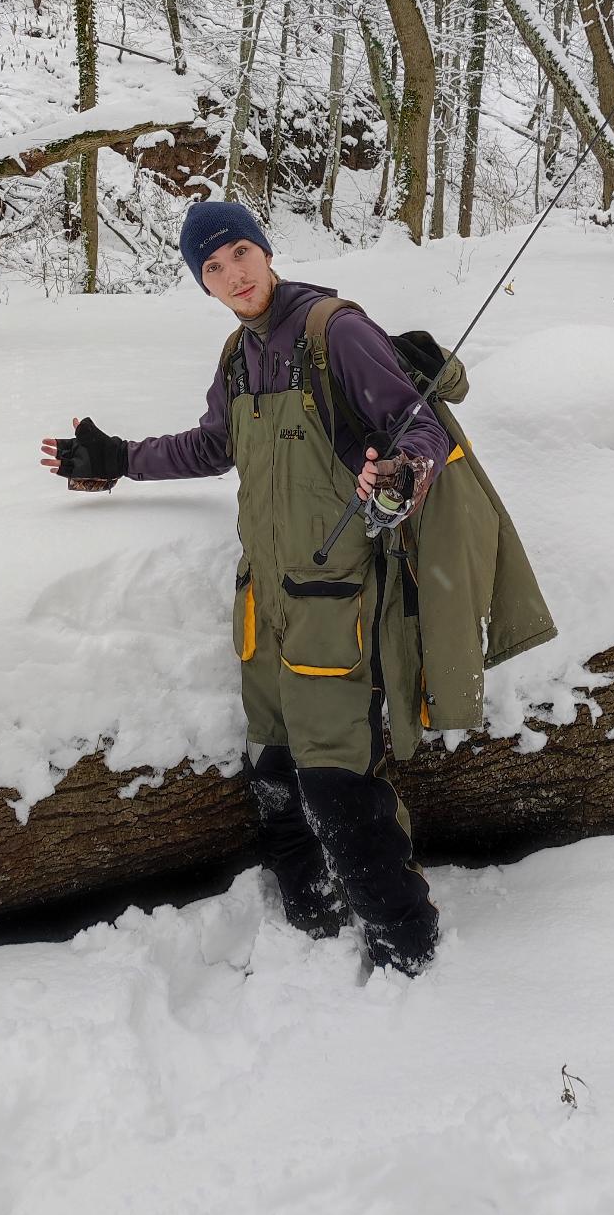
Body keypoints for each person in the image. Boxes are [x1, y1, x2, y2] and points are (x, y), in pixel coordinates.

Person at [40, 200, 452, 975]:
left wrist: (402, 473)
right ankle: (310, 912)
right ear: (202, 283)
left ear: (264, 249)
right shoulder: (238, 354)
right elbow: (213, 445)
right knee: (273, 767)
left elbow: (416, 423)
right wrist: (120, 459)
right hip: (263, 602)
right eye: (213, 267)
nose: (233, 274)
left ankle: (406, 943)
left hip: (335, 601)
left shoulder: (334, 331)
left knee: (337, 774)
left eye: (240, 253)